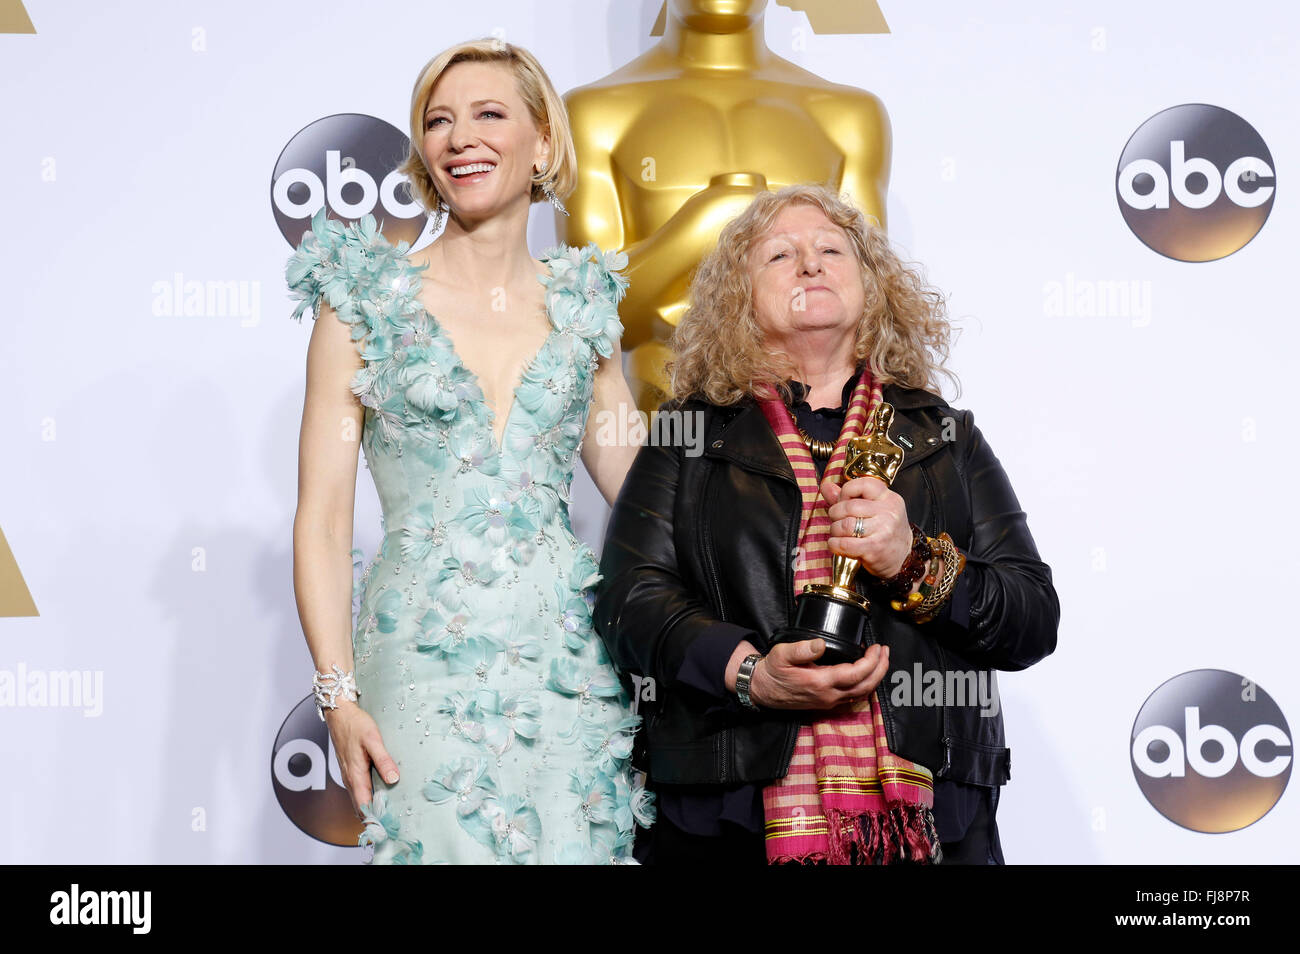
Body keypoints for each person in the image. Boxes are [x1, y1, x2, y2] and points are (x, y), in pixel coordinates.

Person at [594, 182, 1059, 865]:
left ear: (872, 287)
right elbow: (629, 599)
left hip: (934, 820)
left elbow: (1031, 617)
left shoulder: (945, 438)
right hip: (728, 815)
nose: (810, 264)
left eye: (831, 249)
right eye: (779, 255)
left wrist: (913, 561)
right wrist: (747, 671)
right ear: (738, 299)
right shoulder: (686, 435)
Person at [286, 38, 652, 864]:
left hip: (566, 663)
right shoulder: (361, 301)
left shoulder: (583, 305)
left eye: (489, 114)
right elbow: (321, 520)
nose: (461, 137)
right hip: (420, 660)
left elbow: (642, 487)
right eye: (439, 121)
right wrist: (338, 698)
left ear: (544, 143)